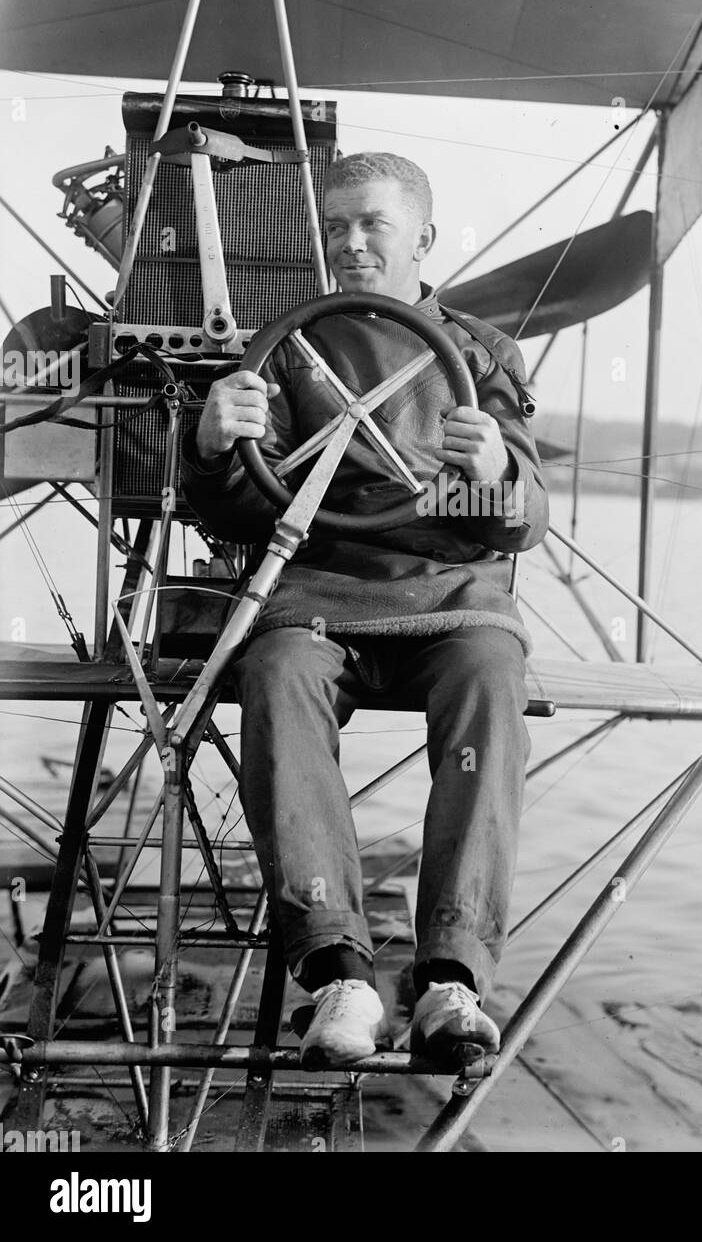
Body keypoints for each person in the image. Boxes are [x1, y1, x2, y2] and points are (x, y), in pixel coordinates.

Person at [180, 152, 549, 1069]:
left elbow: (525, 522)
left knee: (493, 676)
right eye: (336, 226)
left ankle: (450, 980)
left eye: (372, 226)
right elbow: (236, 513)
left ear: (421, 239)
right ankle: (339, 971)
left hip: (451, 603)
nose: (350, 243)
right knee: (274, 671)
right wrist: (214, 444)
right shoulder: (282, 349)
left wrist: (495, 474)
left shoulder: (484, 354)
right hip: (314, 599)